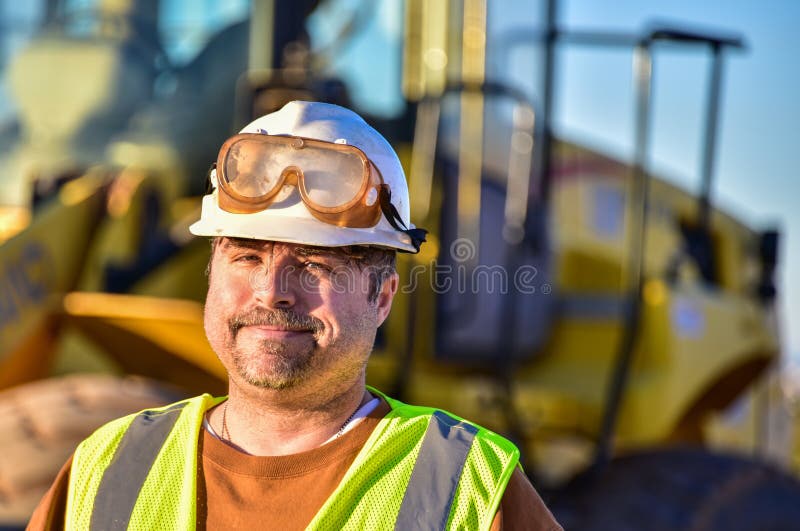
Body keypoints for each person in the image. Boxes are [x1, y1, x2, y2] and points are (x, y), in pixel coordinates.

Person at [28, 101, 562, 530]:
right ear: (211, 273)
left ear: (382, 297)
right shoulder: (106, 469)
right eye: (247, 257)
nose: (273, 292)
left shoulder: (466, 487)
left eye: (314, 264)